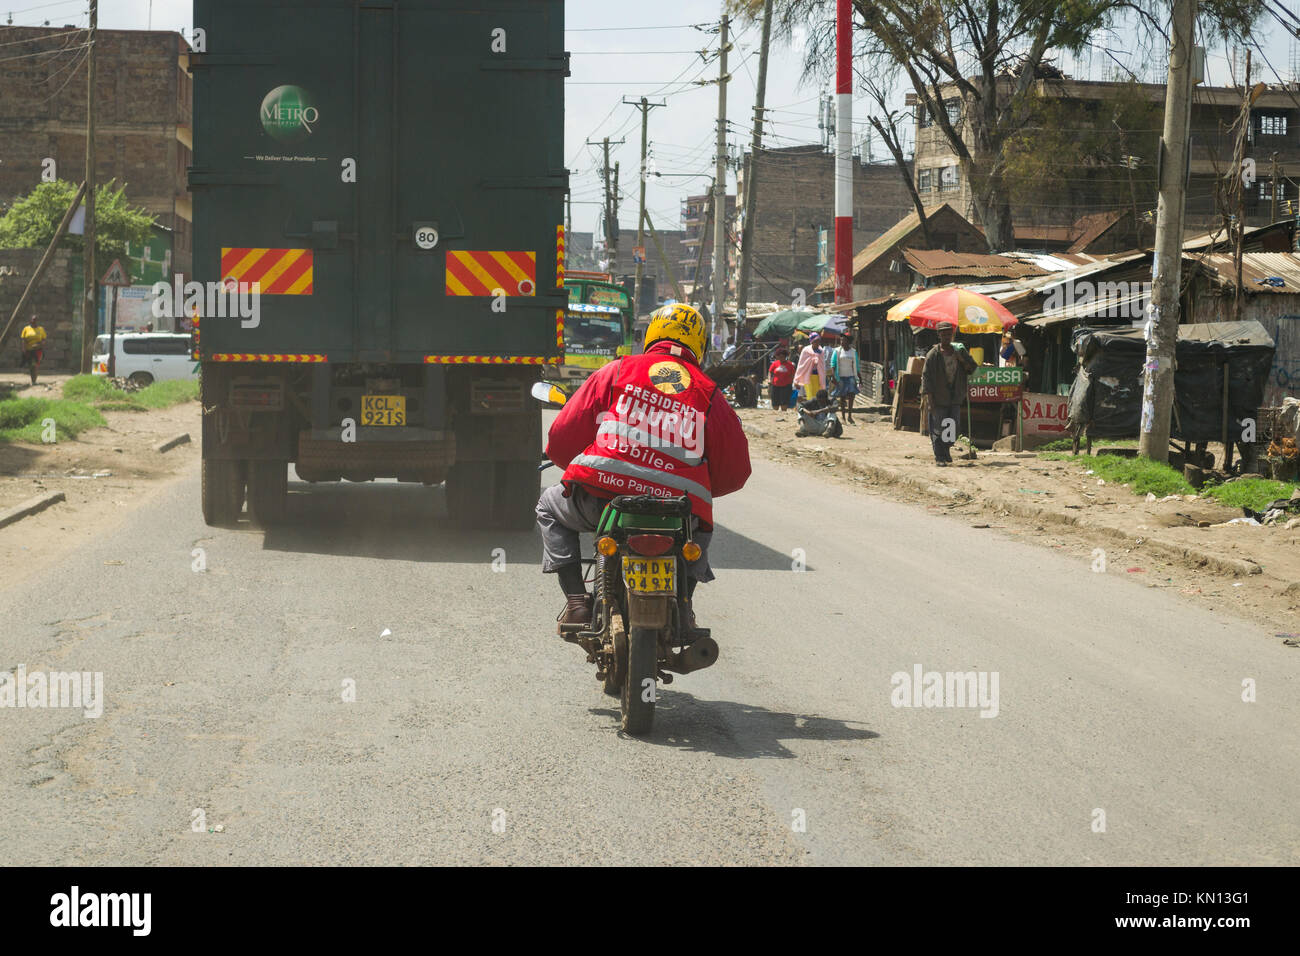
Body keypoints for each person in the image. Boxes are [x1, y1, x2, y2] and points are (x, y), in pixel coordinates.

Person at [536, 302, 752, 635]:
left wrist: (572, 467)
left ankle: (578, 602)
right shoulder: (709, 393)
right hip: (677, 512)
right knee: (702, 530)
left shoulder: (619, 370)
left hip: (603, 499)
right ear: (701, 346)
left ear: (650, 335)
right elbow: (734, 473)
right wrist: (700, 491)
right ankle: (685, 609)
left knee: (549, 506)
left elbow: (565, 435)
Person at [920, 321, 976, 466]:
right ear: (939, 335)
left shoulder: (959, 351)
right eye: (943, 334)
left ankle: (946, 451)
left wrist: (961, 359)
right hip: (938, 397)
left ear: (952, 335)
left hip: (955, 396)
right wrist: (930, 400)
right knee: (939, 428)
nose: (946, 336)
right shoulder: (933, 355)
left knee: (952, 428)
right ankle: (939, 457)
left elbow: (972, 369)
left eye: (948, 334)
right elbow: (926, 378)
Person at [830, 336, 859, 423]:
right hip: (841, 377)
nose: (842, 342)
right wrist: (833, 376)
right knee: (842, 397)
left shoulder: (853, 352)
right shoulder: (837, 351)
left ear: (848, 341)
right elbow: (833, 363)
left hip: (851, 376)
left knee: (851, 396)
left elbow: (856, 365)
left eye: (844, 340)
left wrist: (859, 378)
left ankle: (850, 416)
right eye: (841, 340)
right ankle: (843, 417)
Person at [793, 332, 827, 401]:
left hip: (818, 376)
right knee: (810, 394)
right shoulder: (806, 350)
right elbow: (801, 365)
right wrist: (796, 379)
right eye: (815, 341)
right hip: (808, 376)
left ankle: (815, 409)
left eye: (818, 341)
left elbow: (822, 365)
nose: (817, 343)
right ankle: (811, 408)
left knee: (817, 394)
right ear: (811, 341)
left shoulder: (821, 351)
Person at [767, 346, 795, 417]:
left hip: (786, 386)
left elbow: (793, 374)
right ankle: (775, 416)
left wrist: (791, 382)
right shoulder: (774, 364)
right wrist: (769, 380)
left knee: (784, 402)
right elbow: (770, 372)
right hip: (775, 386)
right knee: (775, 402)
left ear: (785, 356)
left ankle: (783, 415)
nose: (781, 358)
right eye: (779, 356)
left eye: (783, 356)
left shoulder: (790, 365)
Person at [20, 315, 47, 385]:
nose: (34, 321)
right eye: (33, 320)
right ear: (30, 321)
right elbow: (23, 340)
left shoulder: (41, 329)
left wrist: (39, 345)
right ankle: (33, 379)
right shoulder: (26, 329)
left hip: (38, 350)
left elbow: (44, 340)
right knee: (31, 365)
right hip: (29, 350)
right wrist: (23, 349)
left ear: (37, 321)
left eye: (35, 320)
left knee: (35, 365)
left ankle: (34, 381)